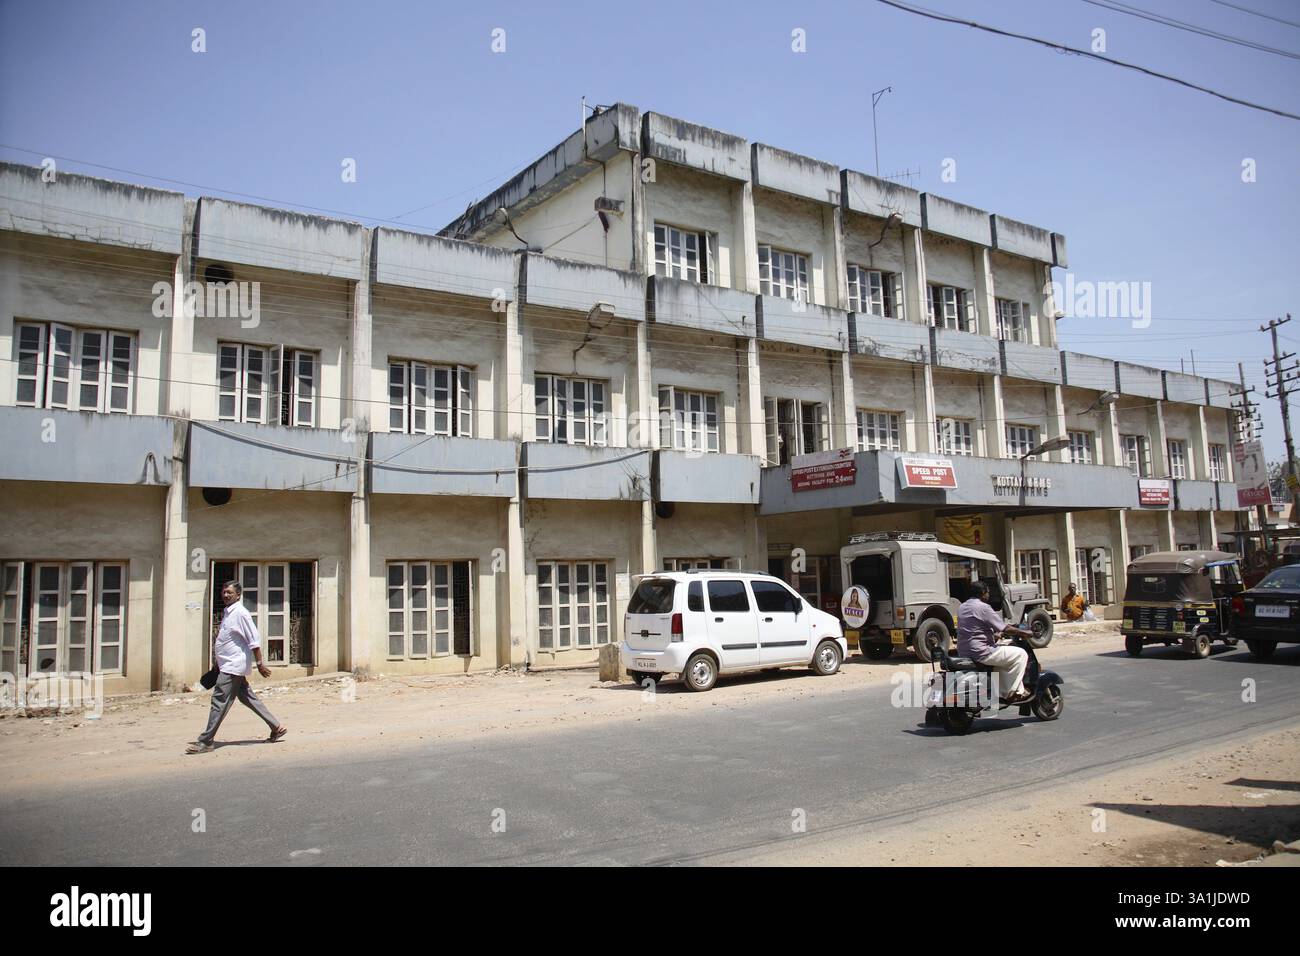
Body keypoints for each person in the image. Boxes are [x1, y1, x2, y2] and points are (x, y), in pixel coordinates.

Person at [187, 580, 287, 754]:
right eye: (224, 592)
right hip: (227, 665)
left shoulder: (241, 613)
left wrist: (260, 664)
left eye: (229, 593)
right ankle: (276, 727)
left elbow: (254, 641)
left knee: (219, 702)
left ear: (238, 595)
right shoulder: (229, 612)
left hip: (233, 667)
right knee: (248, 698)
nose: (225, 595)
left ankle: (206, 741)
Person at [956, 580, 1033, 703]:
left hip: (964, 651)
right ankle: (1011, 693)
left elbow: (973, 629)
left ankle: (999, 690)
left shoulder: (962, 606)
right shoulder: (983, 607)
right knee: (1021, 654)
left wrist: (994, 635)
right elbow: (1005, 627)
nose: (989, 595)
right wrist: (1024, 633)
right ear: (982, 593)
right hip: (981, 652)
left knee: (1004, 657)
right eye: (987, 592)